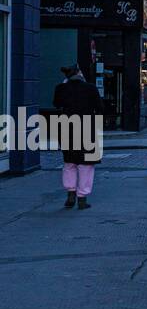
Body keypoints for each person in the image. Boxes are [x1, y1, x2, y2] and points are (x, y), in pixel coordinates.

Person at [52, 65, 103, 210]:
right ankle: (82, 197)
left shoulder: (60, 88)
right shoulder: (90, 88)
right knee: (86, 164)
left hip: (66, 127)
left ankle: (70, 194)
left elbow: (56, 104)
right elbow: (100, 108)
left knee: (69, 162)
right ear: (79, 73)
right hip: (86, 127)